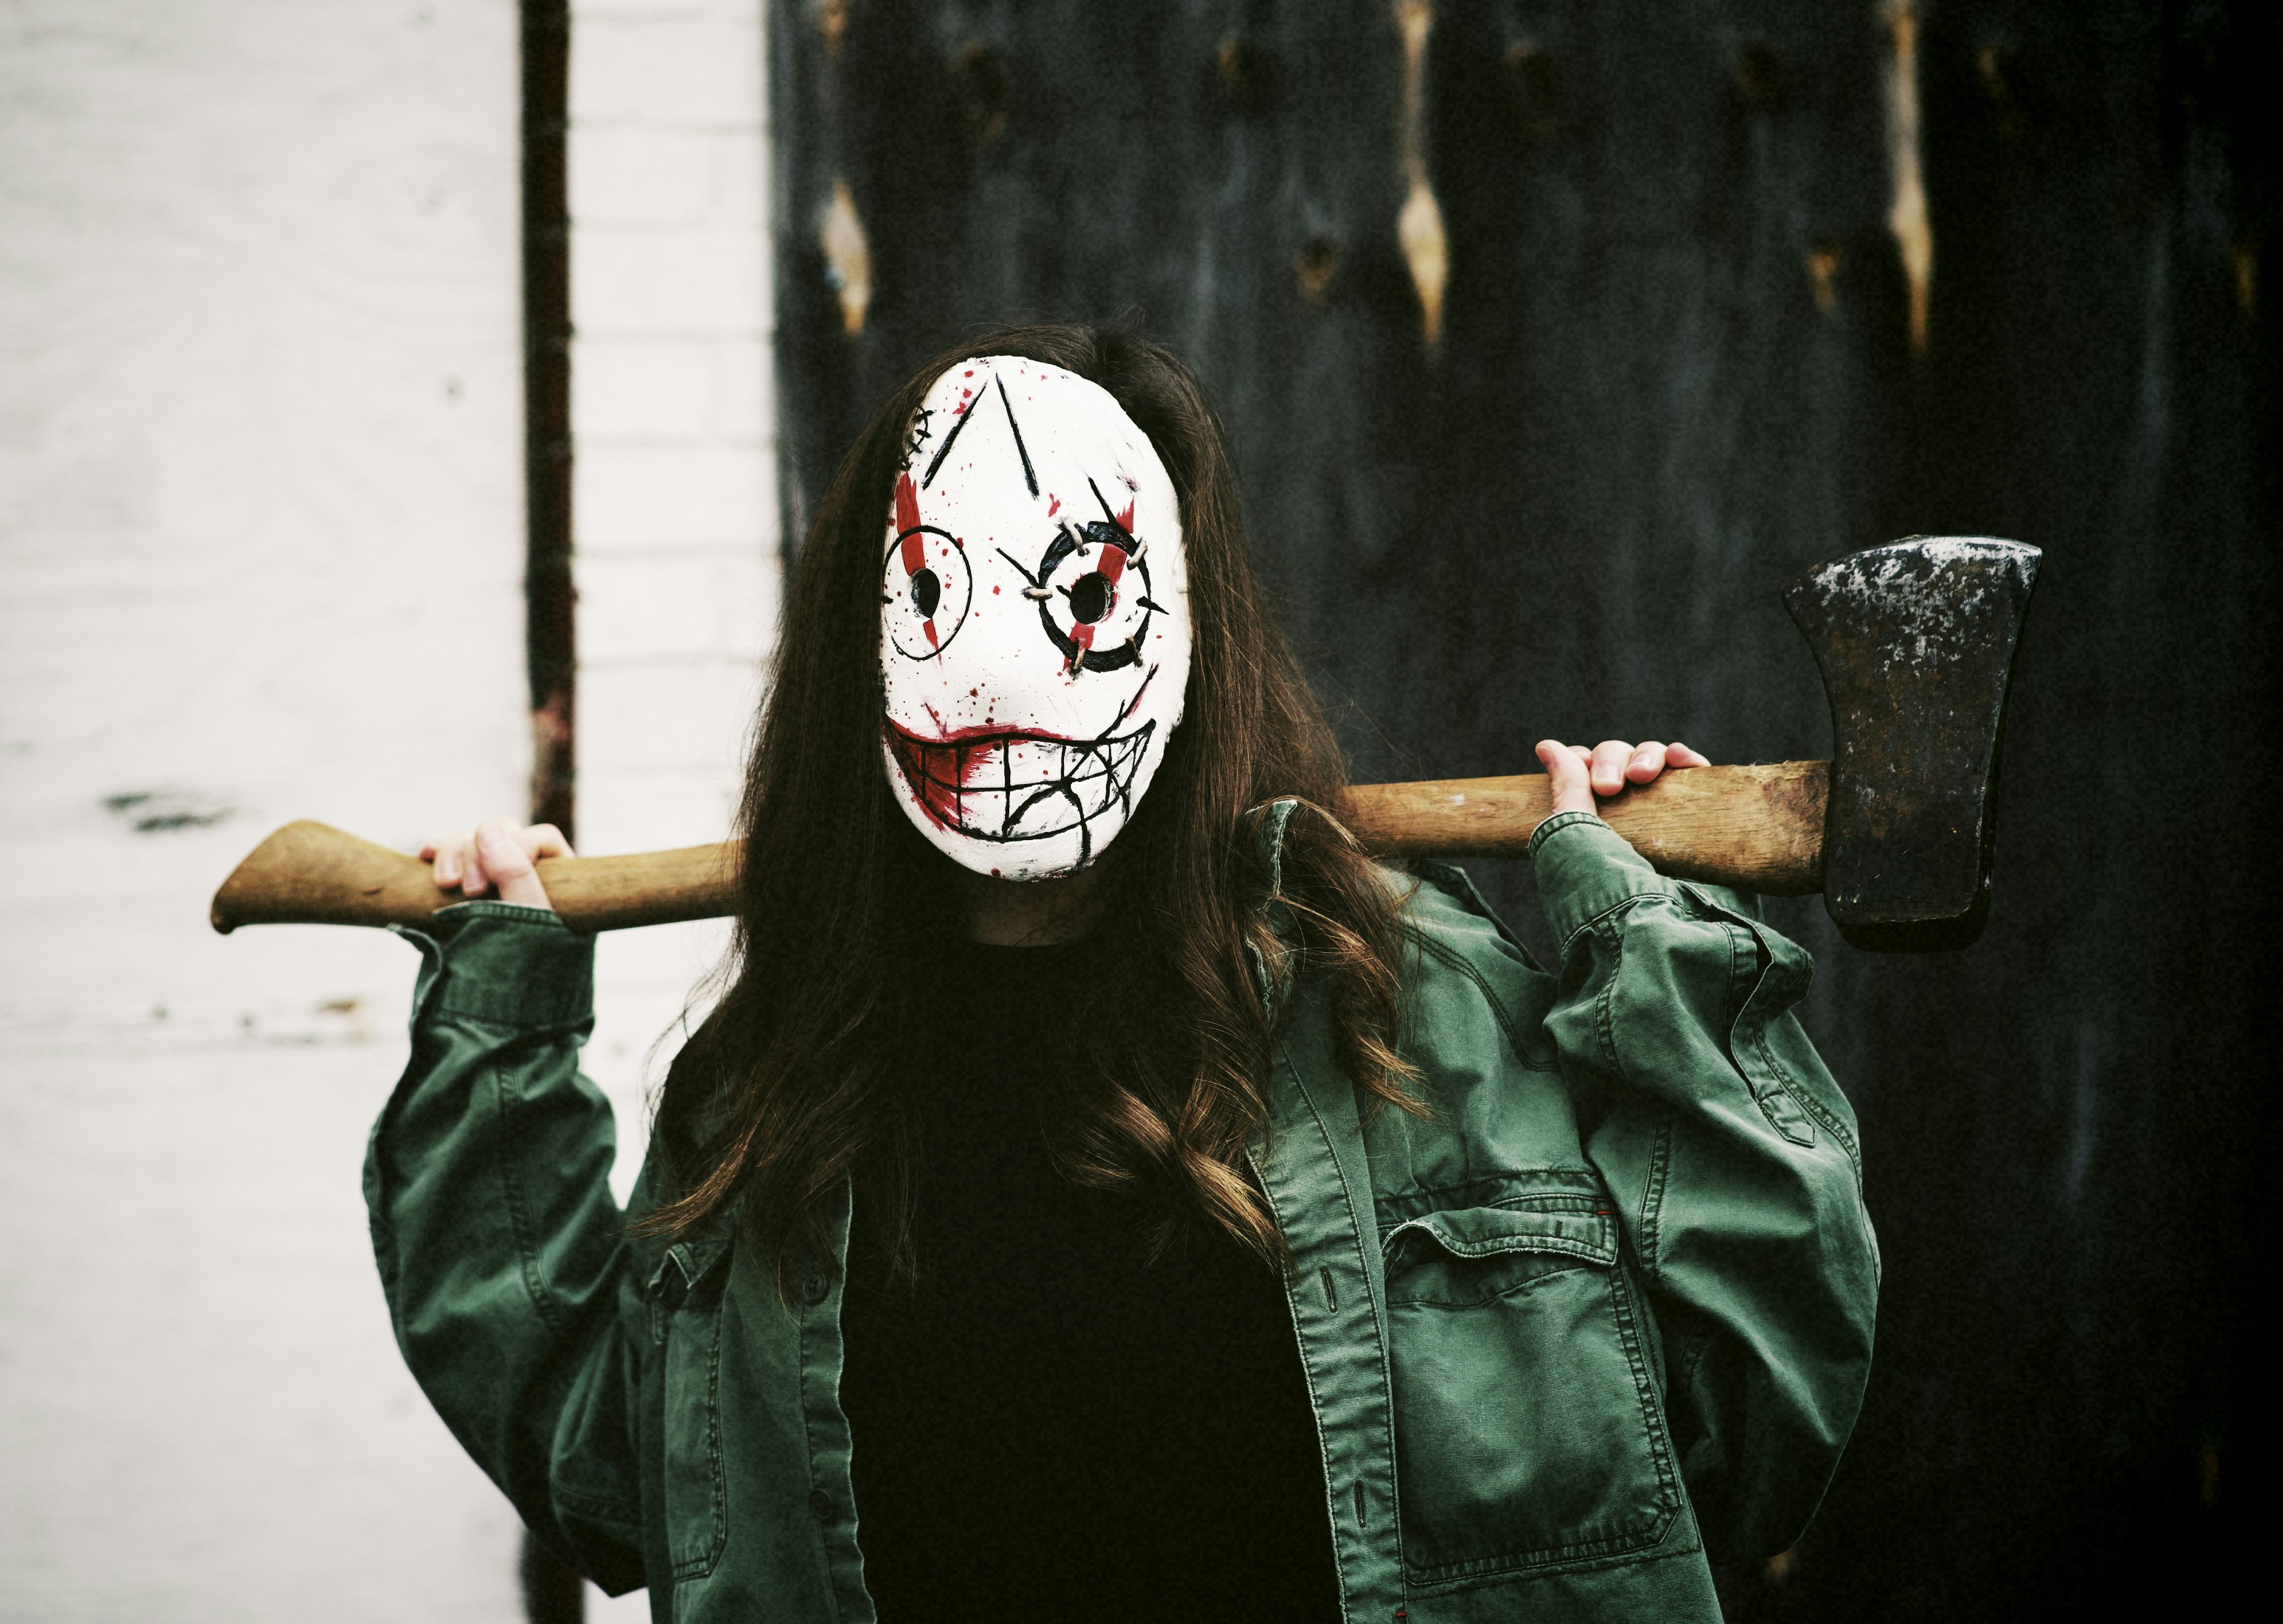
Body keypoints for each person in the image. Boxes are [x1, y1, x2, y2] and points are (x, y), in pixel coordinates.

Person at [367, 326, 1878, 1623]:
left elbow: (1748, 1424)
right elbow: (614, 1474)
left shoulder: (1417, 1017)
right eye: (943, 592)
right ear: (866, 634)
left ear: (1183, 632)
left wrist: (1644, 933)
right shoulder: (768, 1097)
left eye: (1081, 595)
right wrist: (492, 1025)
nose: (1000, 676)